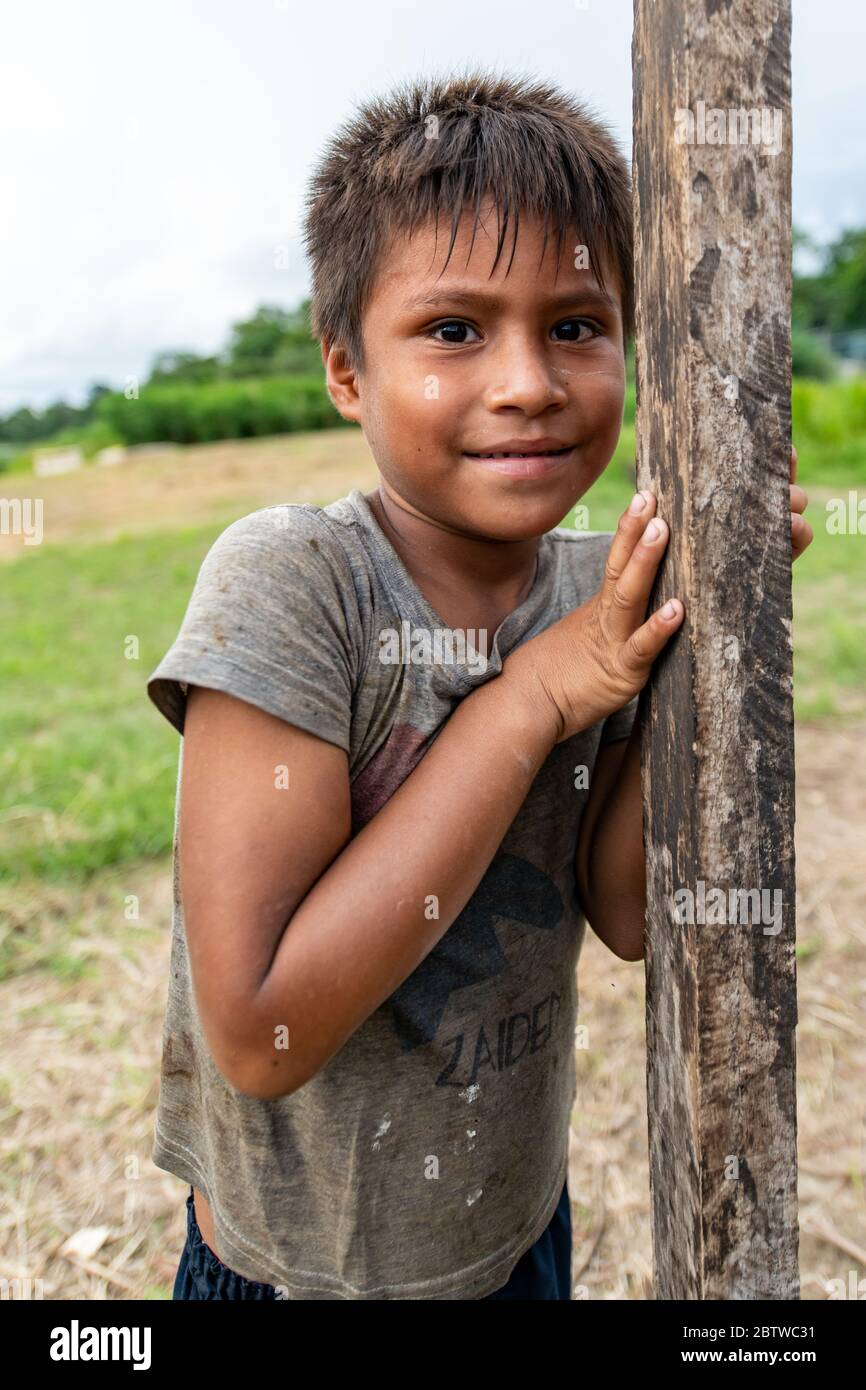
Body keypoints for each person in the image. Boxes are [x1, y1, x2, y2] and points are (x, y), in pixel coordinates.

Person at [147, 69, 813, 1301]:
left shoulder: (593, 595)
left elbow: (622, 911)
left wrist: (714, 625)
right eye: (453, 330)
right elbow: (258, 1031)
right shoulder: (297, 583)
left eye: (574, 324)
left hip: (510, 1242)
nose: (527, 383)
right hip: (300, 1276)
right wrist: (531, 700)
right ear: (347, 370)